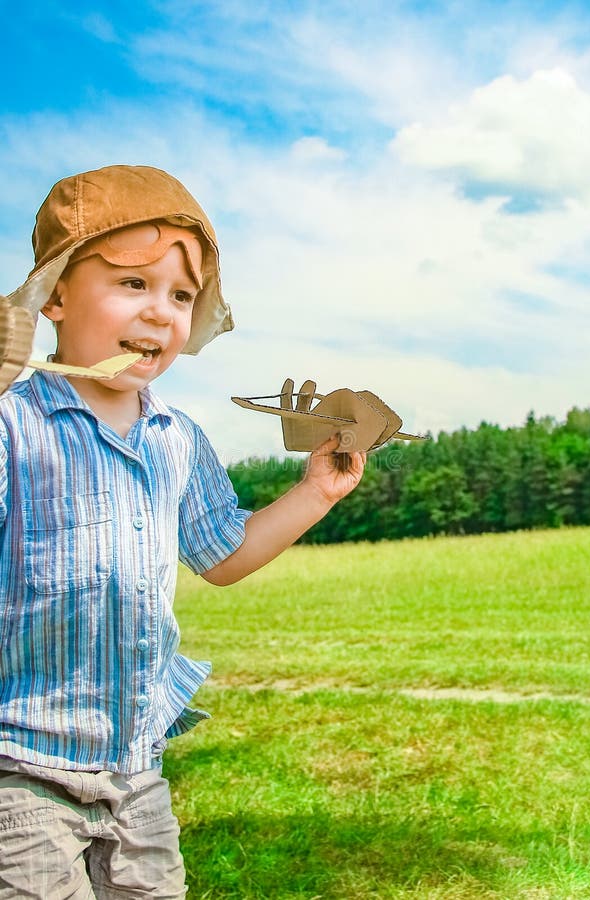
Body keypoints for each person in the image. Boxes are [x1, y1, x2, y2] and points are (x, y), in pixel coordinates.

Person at [0, 164, 365, 899]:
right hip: (21, 769)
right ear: (56, 295)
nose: (162, 312)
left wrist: (314, 493)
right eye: (134, 284)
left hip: (138, 773)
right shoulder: (12, 422)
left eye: (181, 295)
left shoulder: (175, 438)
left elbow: (223, 553)